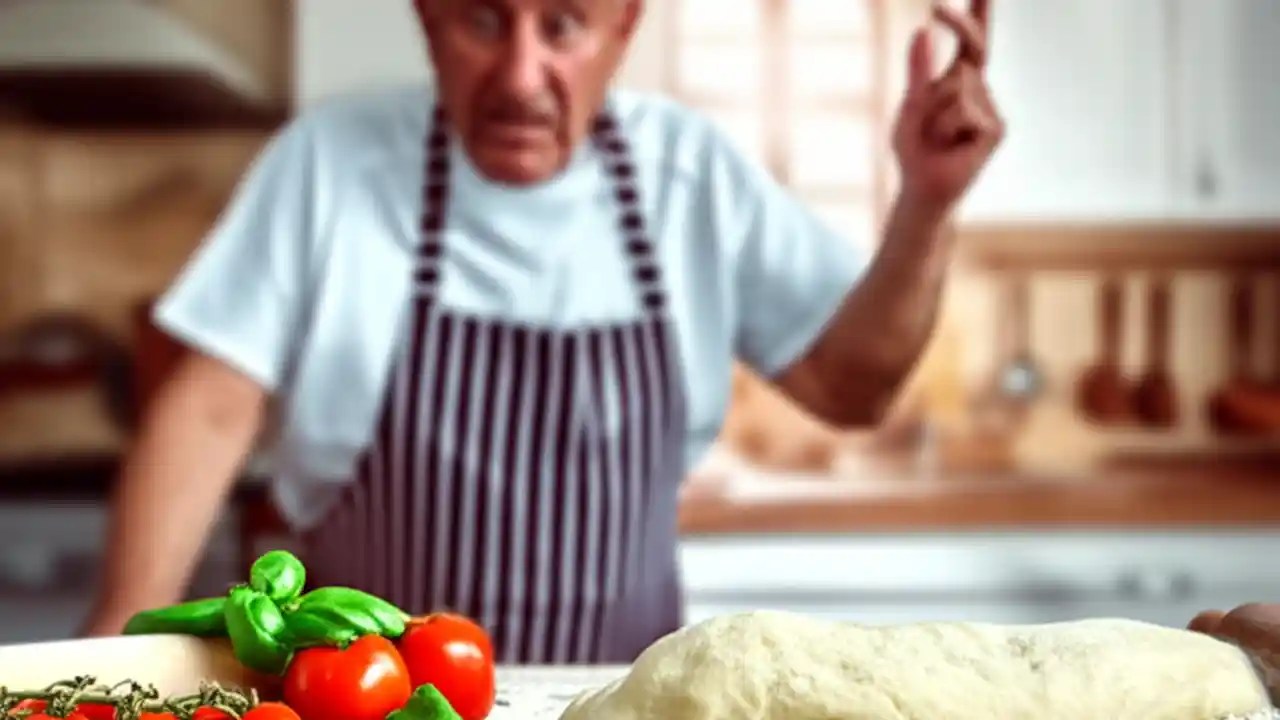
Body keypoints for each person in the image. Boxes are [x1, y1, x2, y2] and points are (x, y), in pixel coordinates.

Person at [82, 0, 1007, 663]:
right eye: (484, 21)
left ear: (625, 28)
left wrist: (928, 202)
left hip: (617, 703)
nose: (520, 77)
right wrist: (109, 664)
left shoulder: (690, 175)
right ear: (428, 17)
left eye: (561, 25)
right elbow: (206, 412)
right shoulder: (331, 164)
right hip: (371, 700)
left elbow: (853, 387)